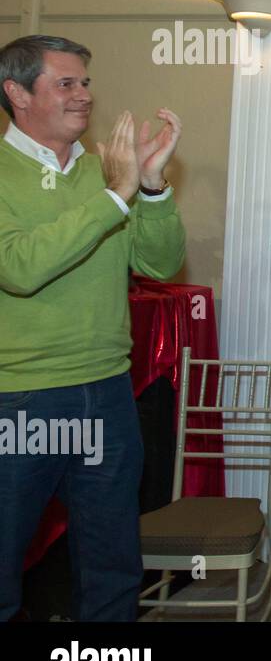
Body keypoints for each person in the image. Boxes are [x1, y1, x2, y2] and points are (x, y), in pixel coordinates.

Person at [0, 34, 185, 621]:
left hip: (107, 391)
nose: (84, 96)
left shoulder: (107, 172)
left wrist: (150, 188)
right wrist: (115, 195)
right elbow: (20, 267)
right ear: (16, 93)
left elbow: (158, 263)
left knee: (112, 567)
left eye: (85, 83)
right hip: (19, 400)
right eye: (66, 84)